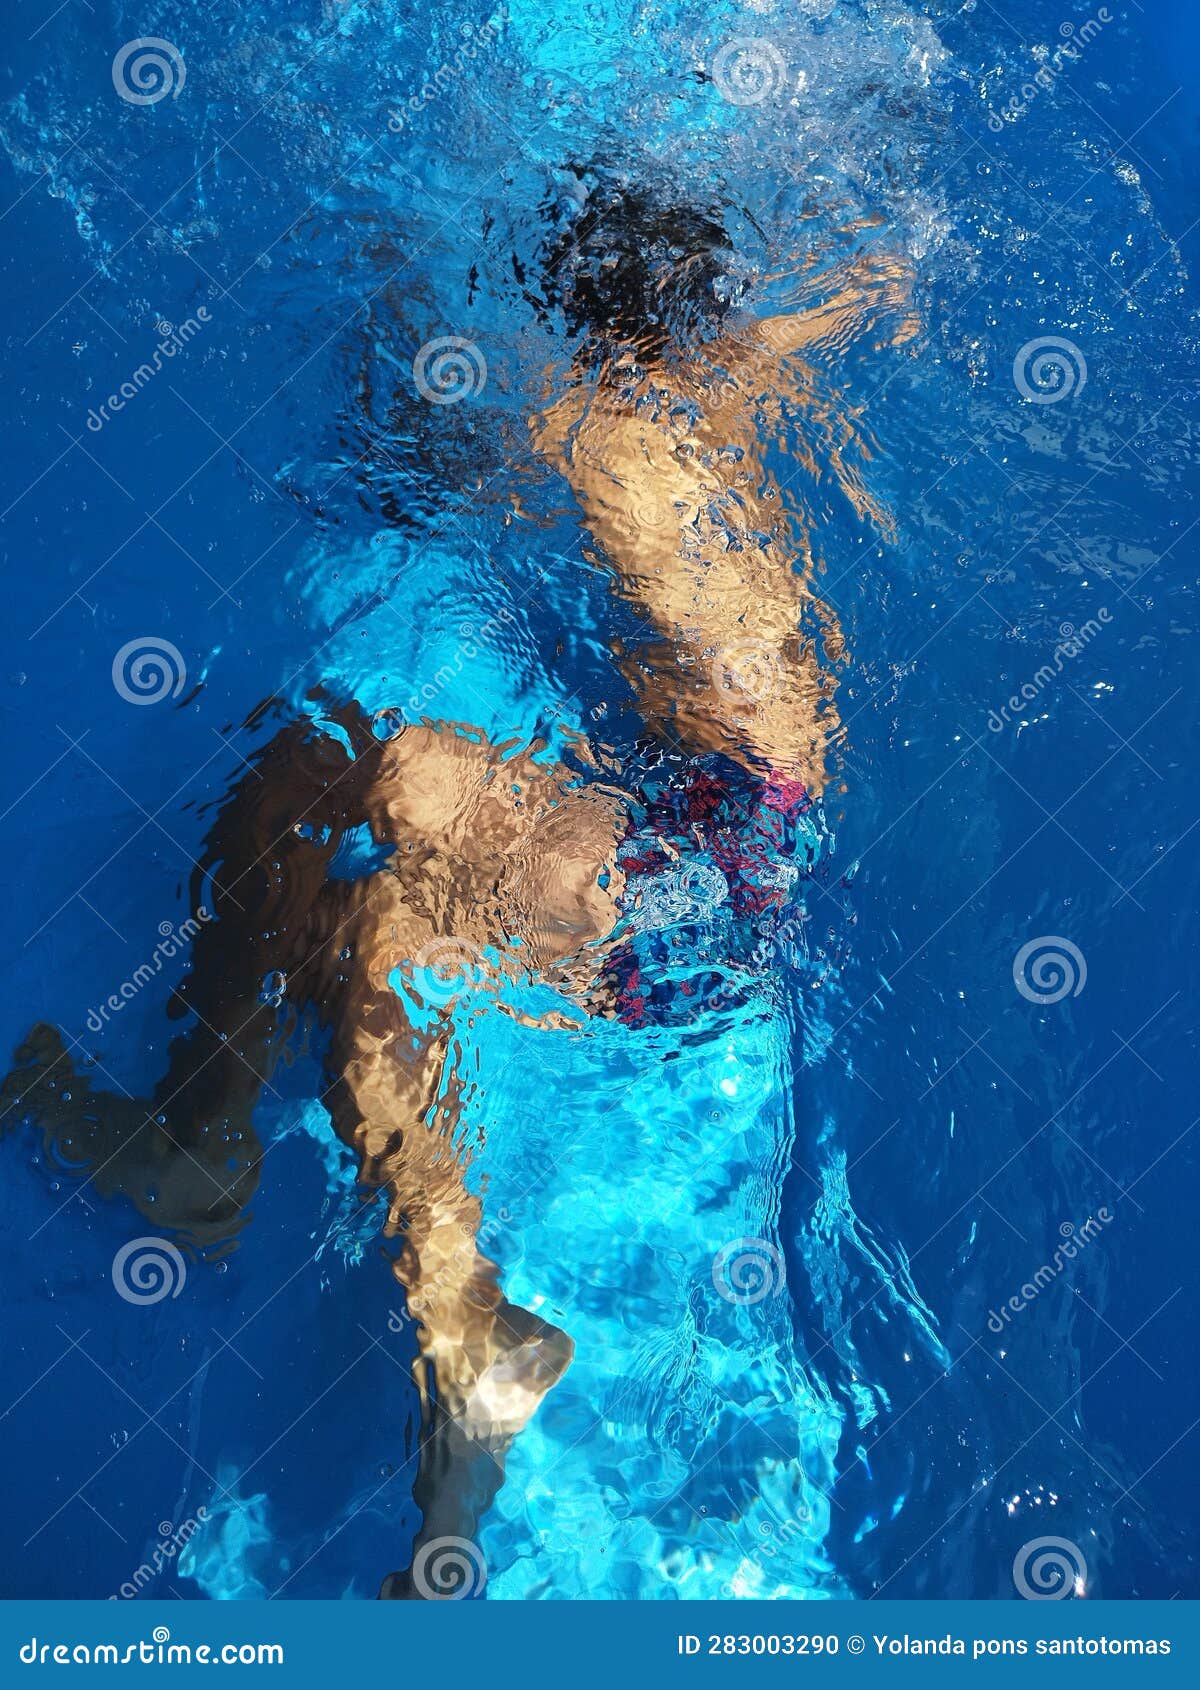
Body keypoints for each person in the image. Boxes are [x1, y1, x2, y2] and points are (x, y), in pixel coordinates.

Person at [1, 179, 917, 1596]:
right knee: (359, 844)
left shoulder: (611, 438)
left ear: (582, 323)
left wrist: (379, 288)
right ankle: (402, 1278)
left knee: (360, 842)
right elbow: (822, 309)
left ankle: (237, 1164)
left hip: (692, 873)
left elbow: (439, 467)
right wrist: (874, 271)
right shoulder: (722, 393)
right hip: (752, 836)